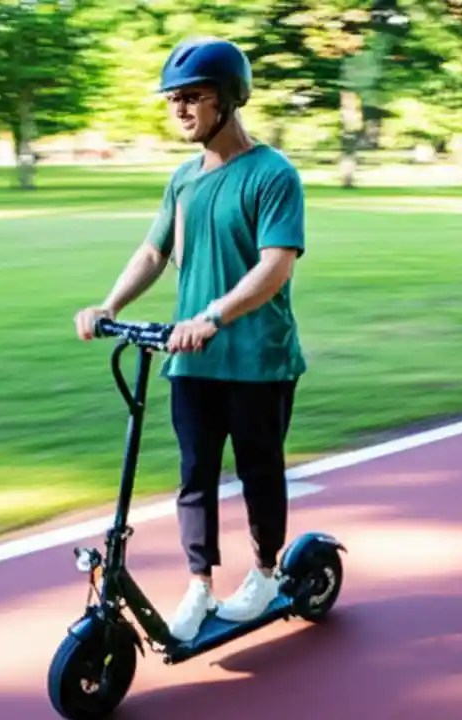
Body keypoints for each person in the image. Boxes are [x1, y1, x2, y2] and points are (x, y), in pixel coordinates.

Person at [73, 37, 307, 643]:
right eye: (173, 100)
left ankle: (263, 571)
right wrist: (110, 304)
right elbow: (154, 251)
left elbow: (276, 264)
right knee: (195, 475)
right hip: (191, 361)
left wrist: (214, 315)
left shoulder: (273, 174)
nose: (180, 110)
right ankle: (200, 583)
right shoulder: (182, 180)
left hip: (258, 359)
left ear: (229, 100)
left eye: (194, 98)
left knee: (259, 470)